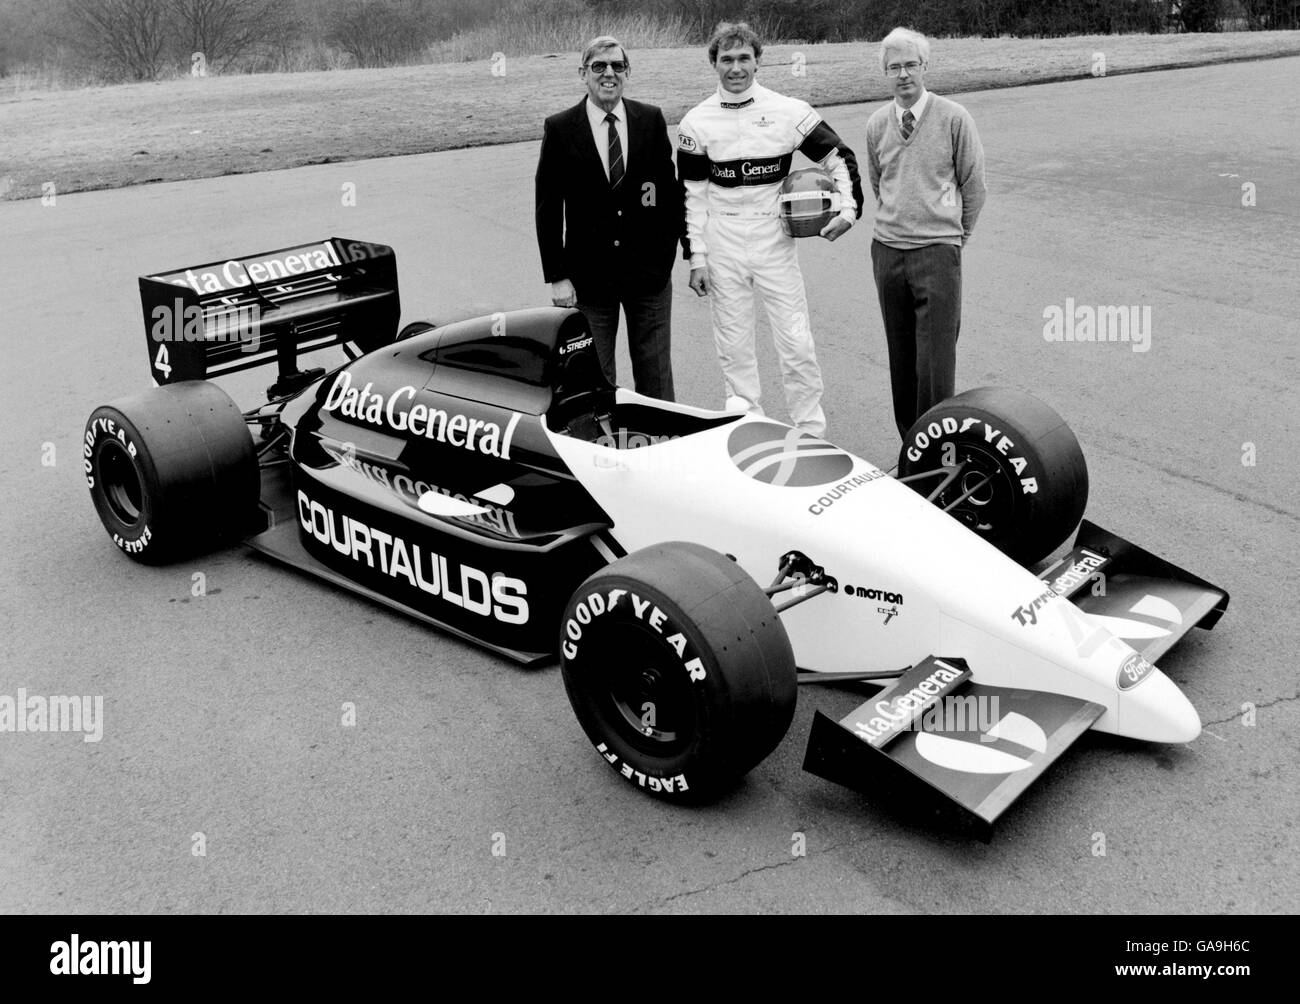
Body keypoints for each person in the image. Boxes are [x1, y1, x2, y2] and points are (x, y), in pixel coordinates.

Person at [677, 21, 862, 437]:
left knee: (796, 342)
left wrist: (848, 212)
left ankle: (811, 432)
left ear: (758, 61)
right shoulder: (694, 123)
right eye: (727, 59)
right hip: (722, 240)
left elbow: (839, 157)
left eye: (744, 58)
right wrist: (697, 258)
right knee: (734, 345)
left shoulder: (789, 111)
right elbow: (692, 195)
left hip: (774, 239)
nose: (736, 68)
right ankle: (748, 429)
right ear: (714, 64)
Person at [535, 35, 684, 400]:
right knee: (594, 376)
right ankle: (606, 449)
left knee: (656, 375)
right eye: (599, 66)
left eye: (617, 66)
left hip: (648, 276)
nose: (609, 74)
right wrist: (557, 276)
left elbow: (667, 194)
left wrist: (676, 253)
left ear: (627, 72)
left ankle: (662, 446)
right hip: (589, 279)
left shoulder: (649, 120)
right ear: (583, 73)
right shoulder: (561, 128)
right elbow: (548, 206)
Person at [865, 27, 987, 438]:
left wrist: (955, 237)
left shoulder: (954, 118)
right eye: (894, 66)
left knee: (935, 365)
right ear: (885, 72)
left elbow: (974, 186)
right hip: (887, 252)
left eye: (911, 65)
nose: (903, 74)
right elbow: (879, 181)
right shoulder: (877, 123)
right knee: (901, 359)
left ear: (925, 67)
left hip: (937, 252)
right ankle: (912, 450)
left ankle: (939, 450)